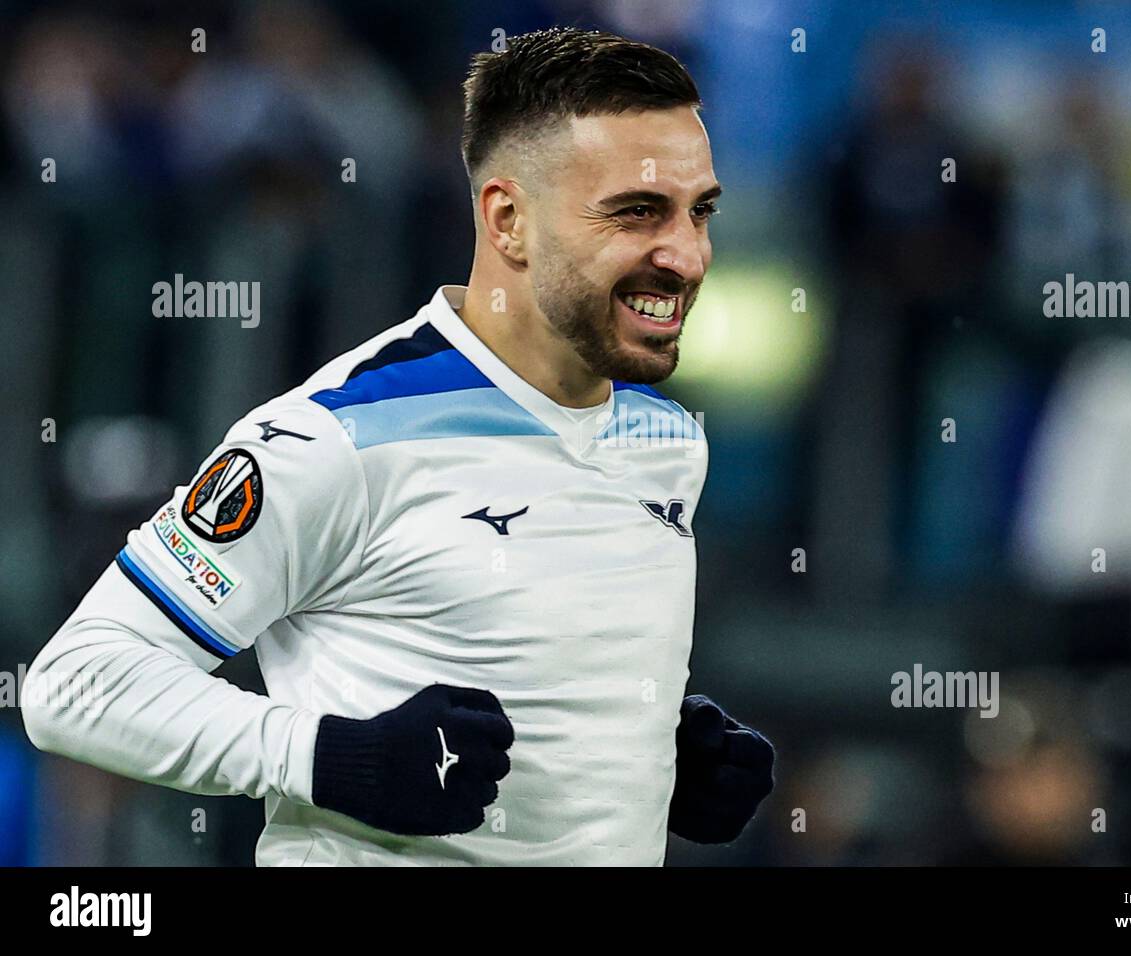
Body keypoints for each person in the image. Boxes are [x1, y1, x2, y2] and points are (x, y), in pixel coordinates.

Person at [23, 27, 774, 866]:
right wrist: (333, 758)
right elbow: (77, 683)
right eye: (636, 212)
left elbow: (510, 673)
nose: (686, 254)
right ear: (508, 218)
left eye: (698, 211)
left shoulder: (665, 439)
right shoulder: (340, 433)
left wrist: (648, 755)